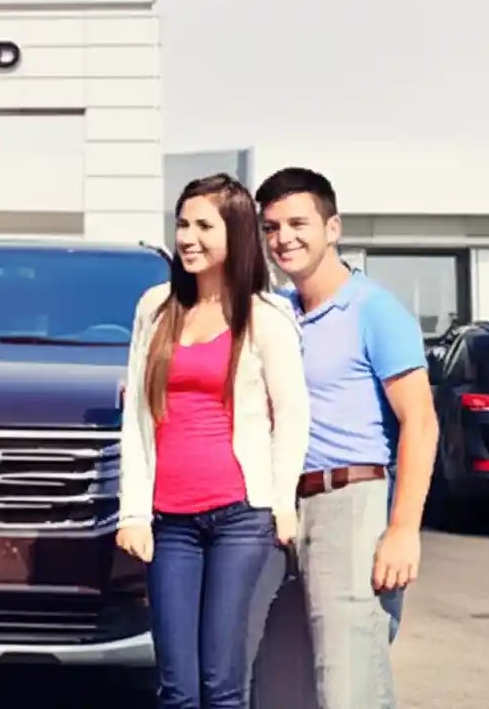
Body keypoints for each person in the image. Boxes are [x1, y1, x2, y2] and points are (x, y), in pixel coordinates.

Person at [116, 173, 311, 708]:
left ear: (236, 235)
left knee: (222, 685)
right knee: (177, 688)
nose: (188, 237)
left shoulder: (265, 316)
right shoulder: (155, 308)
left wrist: (282, 501)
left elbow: (292, 413)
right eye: (182, 223)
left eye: (204, 225)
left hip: (240, 518)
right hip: (168, 521)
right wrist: (132, 513)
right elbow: (136, 416)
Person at [254, 167, 438, 708]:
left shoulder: (374, 310)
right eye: (271, 227)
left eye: (297, 222)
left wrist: (403, 530)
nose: (283, 238)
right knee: (279, 688)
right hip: (282, 513)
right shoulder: (278, 314)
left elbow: (421, 422)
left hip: (350, 503)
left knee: (348, 683)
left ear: (333, 228)